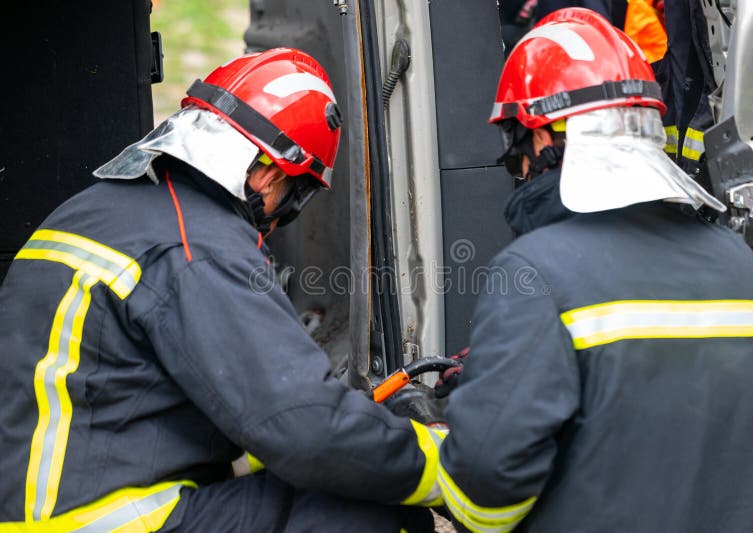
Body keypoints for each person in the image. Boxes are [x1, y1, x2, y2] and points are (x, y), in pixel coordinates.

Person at [0, 49, 443, 532]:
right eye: (294, 197)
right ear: (270, 174)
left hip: (44, 508)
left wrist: (346, 424)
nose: (280, 217)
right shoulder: (199, 246)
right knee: (368, 513)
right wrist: (441, 465)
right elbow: (304, 430)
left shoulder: (93, 211)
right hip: (109, 520)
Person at [437, 8, 753, 532]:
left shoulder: (534, 274)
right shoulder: (738, 264)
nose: (520, 168)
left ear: (545, 140)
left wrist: (460, 416)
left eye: (516, 150)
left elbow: (483, 502)